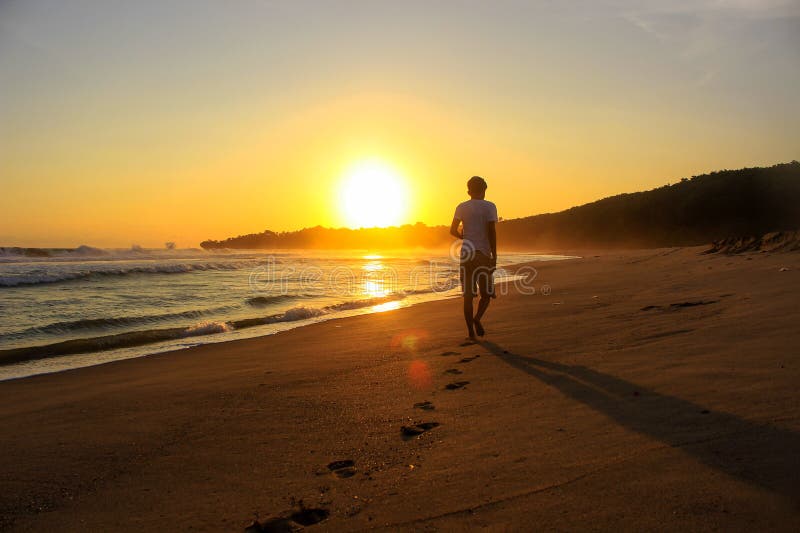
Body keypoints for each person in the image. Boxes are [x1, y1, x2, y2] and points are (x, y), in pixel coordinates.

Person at [450, 176, 498, 339]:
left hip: (466, 255)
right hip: (483, 254)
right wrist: (494, 255)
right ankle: (477, 319)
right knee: (486, 294)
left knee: (468, 296)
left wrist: (463, 237)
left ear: (468, 191)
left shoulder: (461, 207)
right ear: (484, 190)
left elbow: (452, 230)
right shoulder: (490, 206)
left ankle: (470, 332)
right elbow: (492, 232)